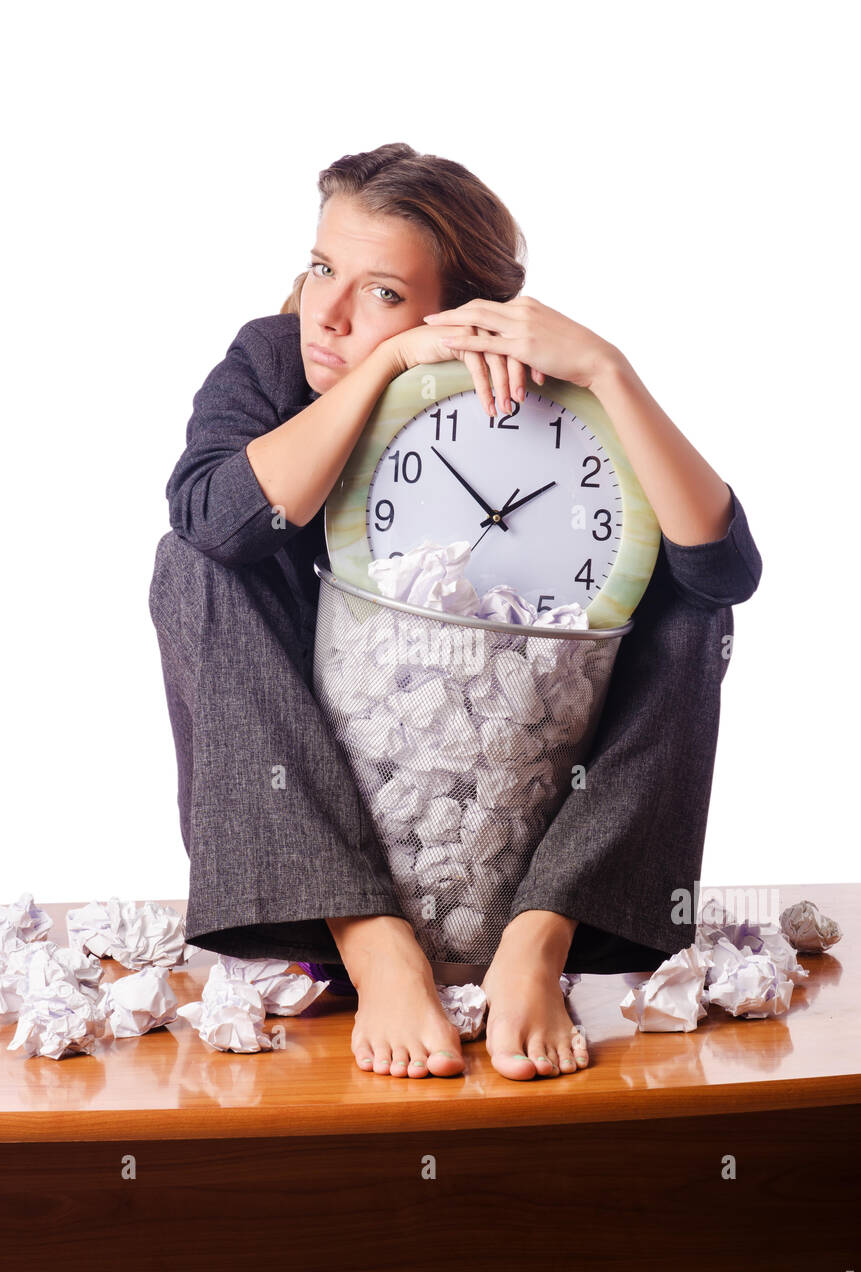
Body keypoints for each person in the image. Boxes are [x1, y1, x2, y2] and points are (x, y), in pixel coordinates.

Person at [149, 142, 762, 1084]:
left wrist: (606, 369)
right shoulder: (273, 361)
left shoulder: (537, 395)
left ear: (468, 310)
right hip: (328, 846)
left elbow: (722, 569)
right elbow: (215, 520)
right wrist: (384, 361)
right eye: (321, 269)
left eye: (382, 293)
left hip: (506, 817)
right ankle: (371, 939)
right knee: (193, 567)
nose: (330, 312)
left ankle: (541, 936)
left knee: (691, 612)